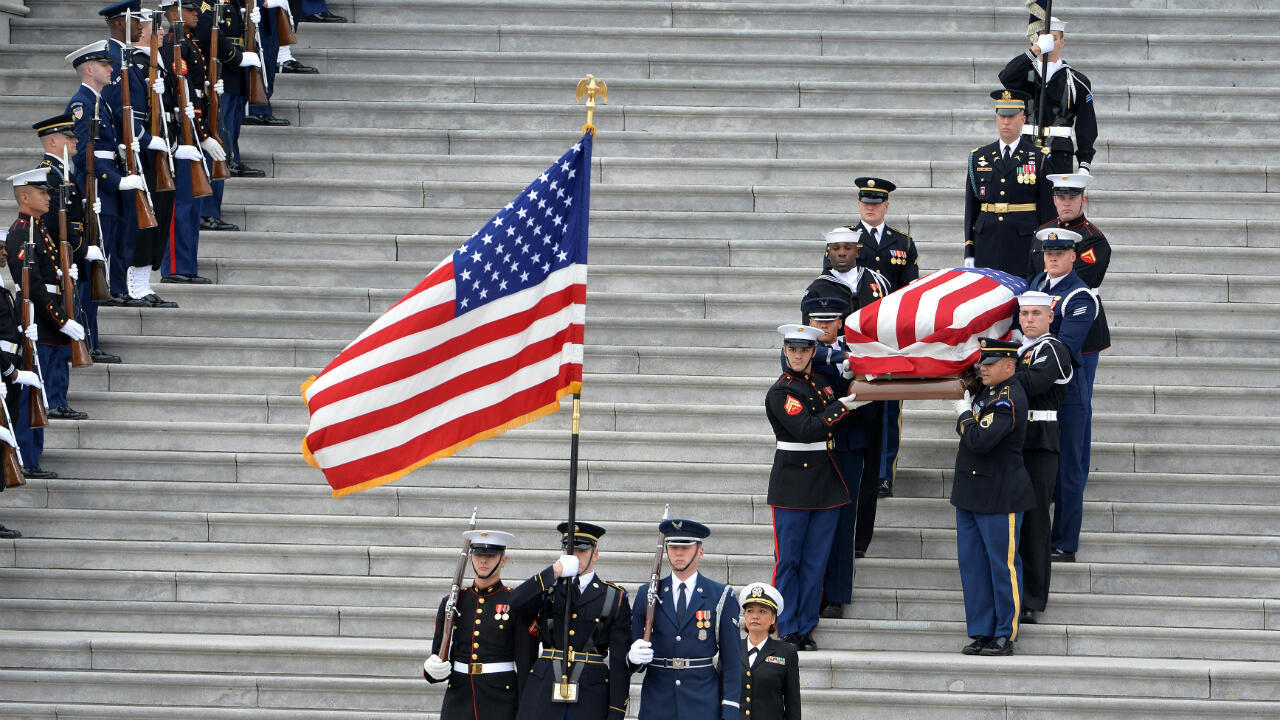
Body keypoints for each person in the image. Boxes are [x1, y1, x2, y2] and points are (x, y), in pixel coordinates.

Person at [765, 323, 867, 650]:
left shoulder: (822, 383)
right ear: (785, 352)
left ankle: (806, 627)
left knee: (815, 563)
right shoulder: (780, 392)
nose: (797, 355)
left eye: (803, 349)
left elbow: (845, 387)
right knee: (789, 562)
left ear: (813, 353)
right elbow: (808, 429)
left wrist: (856, 370)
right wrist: (842, 406)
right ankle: (787, 627)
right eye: (792, 349)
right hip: (792, 485)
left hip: (825, 484)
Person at [803, 228, 893, 559]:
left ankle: (860, 540)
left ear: (859, 249)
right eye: (835, 248)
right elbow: (807, 344)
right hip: (832, 398)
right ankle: (836, 538)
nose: (842, 253)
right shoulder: (817, 289)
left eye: (847, 247)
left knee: (870, 476)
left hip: (874, 394)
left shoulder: (879, 284)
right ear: (828, 253)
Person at [951, 338, 1035, 656]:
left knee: (1003, 567)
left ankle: (1004, 633)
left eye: (989, 364)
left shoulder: (1009, 398)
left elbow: (980, 440)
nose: (982, 368)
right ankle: (982, 630)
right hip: (971, 493)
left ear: (1009, 365)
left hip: (1001, 495)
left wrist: (963, 415)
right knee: (973, 566)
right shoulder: (987, 390)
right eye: (982, 363)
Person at [1035, 173, 1110, 524]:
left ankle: (1070, 482)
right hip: (1045, 336)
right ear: (1054, 199)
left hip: (1081, 338)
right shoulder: (1045, 234)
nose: (1066, 202)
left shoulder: (1094, 239)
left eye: (1072, 196)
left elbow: (1078, 283)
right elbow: (1034, 283)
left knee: (1076, 417)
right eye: (1060, 196)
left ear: (1083, 200)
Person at [7, 168, 90, 479]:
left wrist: (66, 277)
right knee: (33, 397)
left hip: (51, 321)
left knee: (45, 389)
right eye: (42, 193)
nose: (48, 197)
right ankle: (27, 459)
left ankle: (33, 456)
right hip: (39, 323)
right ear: (25, 197)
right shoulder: (20, 233)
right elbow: (33, 288)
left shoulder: (39, 229)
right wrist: (61, 319)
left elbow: (48, 278)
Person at [508, 521, 632, 720]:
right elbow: (514, 604)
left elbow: (619, 662)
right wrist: (554, 571)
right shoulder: (549, 587)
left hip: (591, 693)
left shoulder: (613, 596)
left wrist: (616, 712)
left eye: (582, 550)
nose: (575, 555)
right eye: (570, 549)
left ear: (595, 553)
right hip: (544, 687)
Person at [800, 295, 873, 620]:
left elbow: (870, 381)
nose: (824, 326)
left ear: (842, 322)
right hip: (809, 448)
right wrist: (841, 360)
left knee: (843, 522)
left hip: (846, 443)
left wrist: (848, 366)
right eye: (818, 321)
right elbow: (801, 366)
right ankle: (810, 591)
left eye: (830, 321)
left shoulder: (859, 349)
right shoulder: (801, 348)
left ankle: (836, 594)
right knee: (810, 524)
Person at [1028, 230, 1099, 563]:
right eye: (1048, 252)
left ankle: (1065, 541)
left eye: (1059, 253)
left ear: (1074, 256)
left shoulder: (1080, 296)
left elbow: (1065, 348)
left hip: (1067, 390)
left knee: (1069, 467)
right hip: (1038, 389)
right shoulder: (1036, 285)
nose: (1052, 258)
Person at [627, 518, 741, 720]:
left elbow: (731, 662)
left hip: (702, 701)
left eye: (686, 547)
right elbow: (635, 660)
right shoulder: (648, 593)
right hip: (658, 701)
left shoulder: (720, 595)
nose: (678, 553)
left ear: (700, 551)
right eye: (673, 547)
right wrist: (633, 657)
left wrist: (730, 710)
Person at [32, 113, 123, 362]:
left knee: (86, 300)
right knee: (77, 301)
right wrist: (83, 248)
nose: (75, 141)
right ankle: (83, 345)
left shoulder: (64, 171)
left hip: (76, 251)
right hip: (69, 251)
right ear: (52, 142)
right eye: (68, 137)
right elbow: (52, 219)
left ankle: (89, 342)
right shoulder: (48, 175)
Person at [66, 39, 150, 304]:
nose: (111, 69)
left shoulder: (101, 103)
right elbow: (81, 156)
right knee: (97, 253)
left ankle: (114, 291)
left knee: (112, 245)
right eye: (104, 65)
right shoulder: (82, 105)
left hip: (109, 185)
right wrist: (116, 180)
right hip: (98, 187)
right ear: (89, 69)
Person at [848, 176, 916, 500]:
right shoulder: (844, 240)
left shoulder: (902, 243)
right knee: (855, 400)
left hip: (889, 336)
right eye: (866, 202)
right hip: (856, 333)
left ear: (886, 206)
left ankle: (882, 473)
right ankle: (855, 466)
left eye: (877, 203)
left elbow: (910, 293)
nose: (871, 207)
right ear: (859, 204)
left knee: (890, 407)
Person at [423, 529, 535, 720]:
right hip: (459, 699)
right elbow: (439, 657)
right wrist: (432, 670)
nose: (484, 560)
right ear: (471, 558)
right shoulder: (453, 602)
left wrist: (525, 712)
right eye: (478, 554)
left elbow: (526, 665)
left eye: (491, 555)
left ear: (503, 560)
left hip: (501, 701)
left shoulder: (515, 602)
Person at [1012, 291, 1072, 624]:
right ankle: (1016, 593)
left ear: (1051, 316)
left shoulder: (1053, 349)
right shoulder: (1018, 351)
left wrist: (997, 374)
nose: (1030, 319)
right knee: (1014, 524)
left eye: (1036, 313)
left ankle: (1033, 599)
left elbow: (1034, 383)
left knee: (1035, 524)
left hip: (1040, 442)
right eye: (1024, 314)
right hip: (1015, 441)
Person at [963, 89, 1053, 279]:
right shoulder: (979, 157)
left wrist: (1046, 249)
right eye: (1002, 116)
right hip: (986, 241)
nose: (1006, 122)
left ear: (1023, 119)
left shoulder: (1038, 157)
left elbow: (1047, 209)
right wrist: (969, 249)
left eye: (1012, 116)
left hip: (1023, 241)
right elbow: (972, 209)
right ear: (996, 118)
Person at [123, 9, 181, 309]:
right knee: (146, 220)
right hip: (145, 154)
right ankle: (135, 284)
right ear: (141, 30)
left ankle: (146, 281)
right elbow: (129, 113)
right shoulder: (133, 64)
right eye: (155, 27)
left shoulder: (159, 63)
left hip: (164, 151)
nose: (162, 32)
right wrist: (149, 140)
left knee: (161, 213)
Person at [999, 16, 1097, 179]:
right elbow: (1006, 77)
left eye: (1053, 38)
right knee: (1026, 200)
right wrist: (1035, 50)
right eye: (1044, 38)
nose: (1049, 43)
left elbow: (1086, 125)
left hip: (1059, 153)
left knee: (1055, 201)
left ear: (1062, 42)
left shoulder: (1077, 81)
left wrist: (1084, 164)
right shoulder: (1024, 74)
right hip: (1026, 149)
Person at [0, 230, 45, 537]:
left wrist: (23, 330)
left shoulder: (4, 289)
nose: (4, 254)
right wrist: (11, 373)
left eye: (5, 249)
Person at [737, 582, 799, 720]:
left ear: (773, 619)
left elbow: (792, 703)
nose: (755, 616)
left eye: (762, 611)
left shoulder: (786, 652)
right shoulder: (731, 649)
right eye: (750, 610)